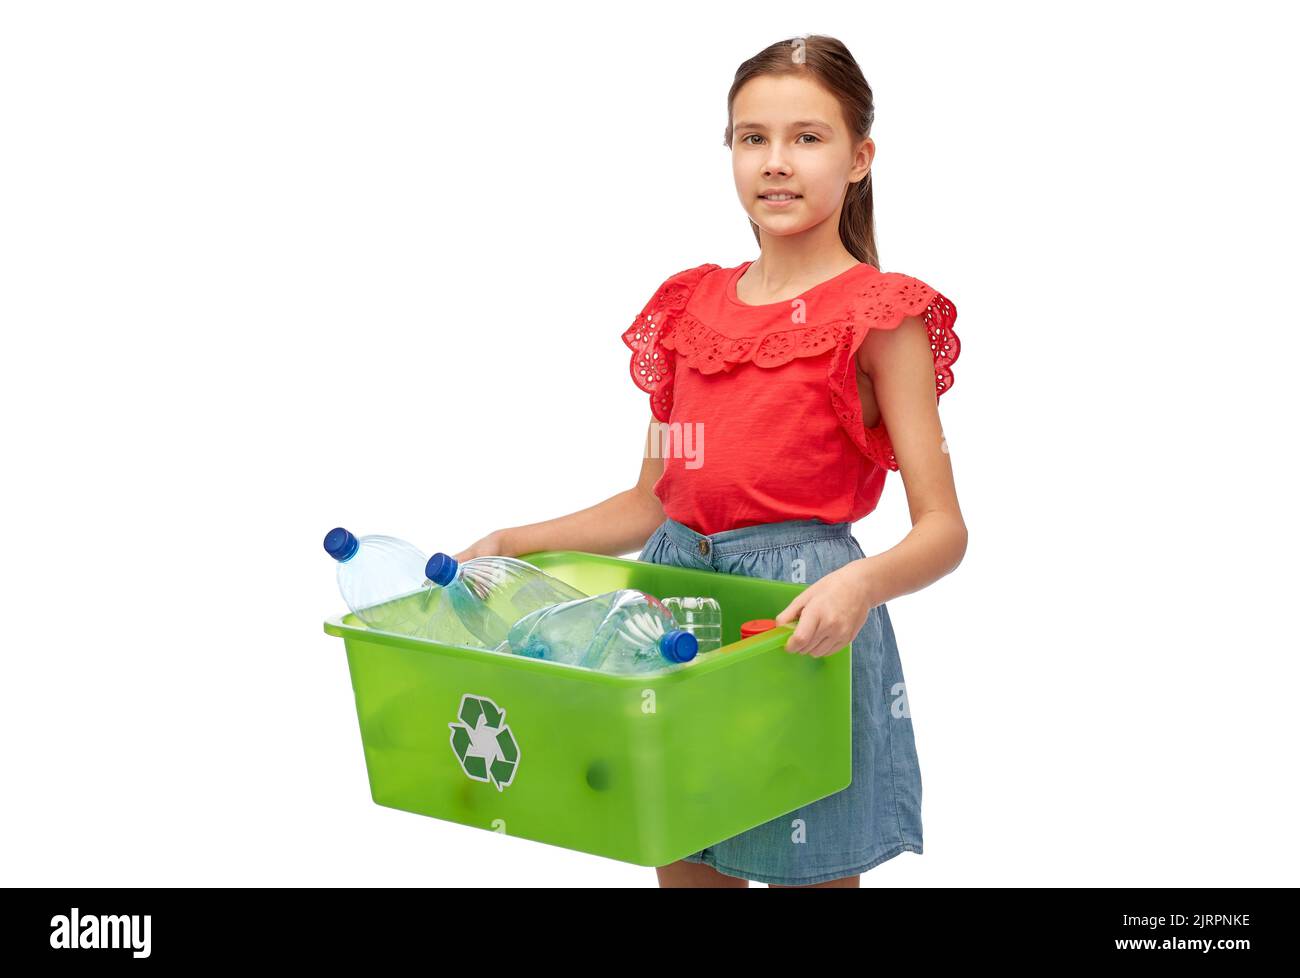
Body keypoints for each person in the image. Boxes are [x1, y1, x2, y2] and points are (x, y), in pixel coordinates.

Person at [455, 34, 966, 888]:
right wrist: (519, 538)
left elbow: (943, 528)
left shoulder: (880, 315)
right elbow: (653, 500)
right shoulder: (689, 308)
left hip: (800, 622)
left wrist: (859, 583)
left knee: (812, 866)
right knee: (683, 857)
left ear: (859, 157)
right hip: (668, 613)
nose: (776, 162)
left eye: (808, 137)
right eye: (751, 138)